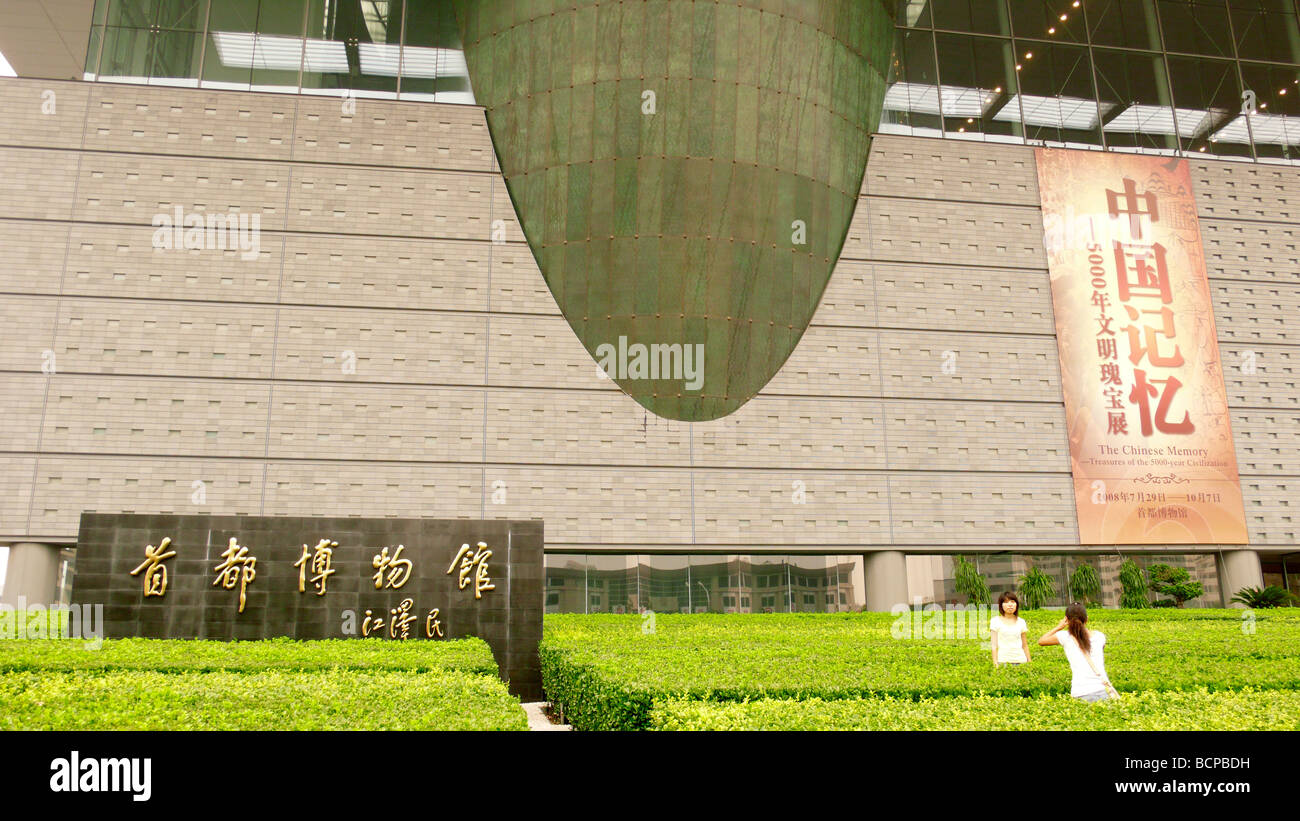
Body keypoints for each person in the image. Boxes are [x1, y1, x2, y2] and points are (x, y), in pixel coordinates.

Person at [1038, 602, 1114, 702]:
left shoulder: (1064, 636)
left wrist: (1059, 627)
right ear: (1086, 619)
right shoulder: (1100, 636)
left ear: (1066, 620)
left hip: (1080, 692)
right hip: (1102, 690)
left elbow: (1041, 641)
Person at [989, 591, 1030, 667]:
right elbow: (994, 645)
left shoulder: (1021, 622)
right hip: (1003, 662)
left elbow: (1025, 645)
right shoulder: (995, 621)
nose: (1010, 605)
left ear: (1016, 605)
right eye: (1006, 602)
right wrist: (995, 663)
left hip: (1021, 661)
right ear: (1001, 605)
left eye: (1012, 602)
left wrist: (1029, 662)